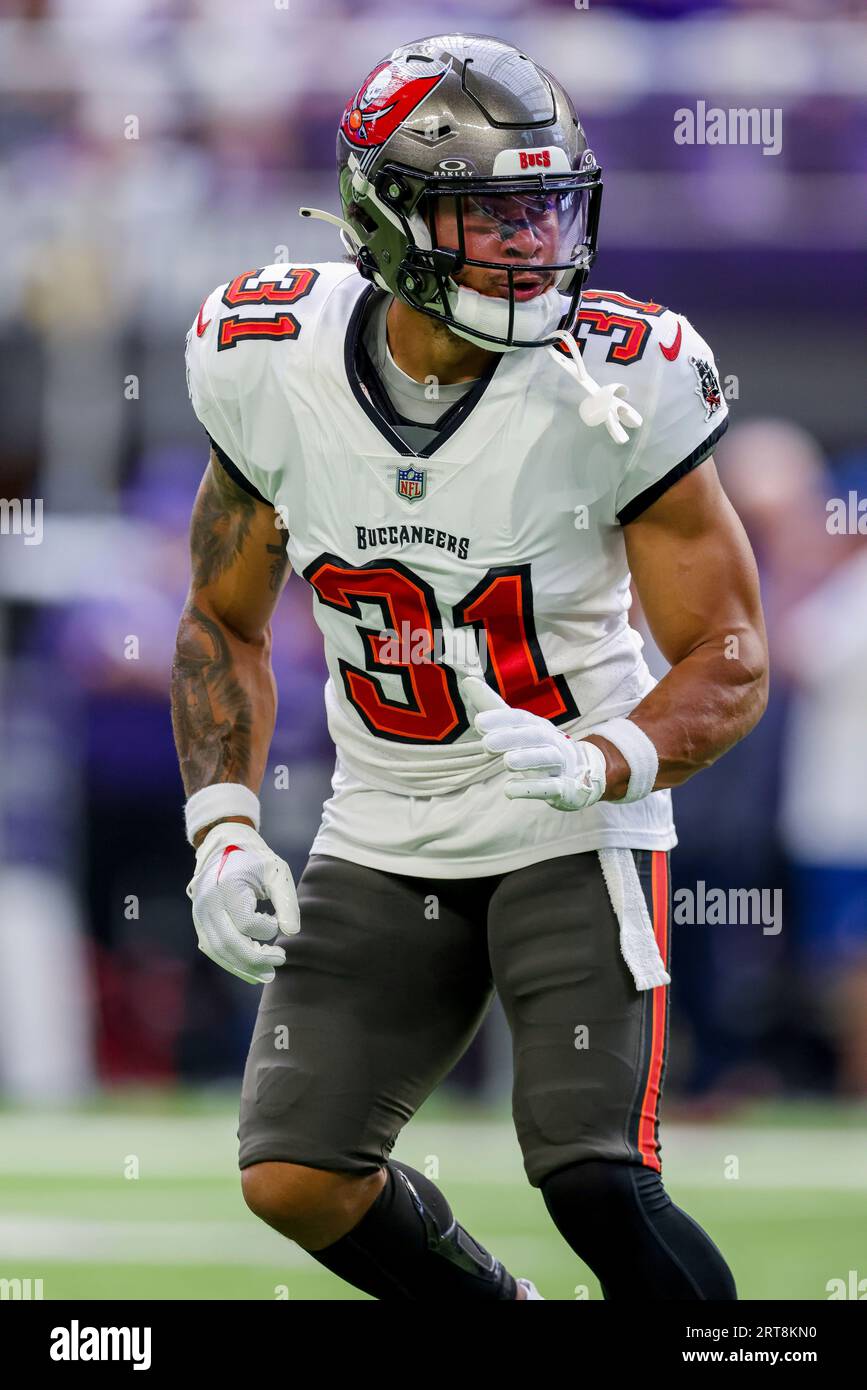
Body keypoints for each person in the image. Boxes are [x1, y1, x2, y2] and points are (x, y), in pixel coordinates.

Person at [172, 34, 767, 1300]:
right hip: (384, 817)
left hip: (573, 809)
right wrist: (223, 827)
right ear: (386, 217)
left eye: (546, 208)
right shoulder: (265, 356)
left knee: (595, 1173)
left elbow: (730, 652)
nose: (530, 244)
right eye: (488, 214)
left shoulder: (621, 377)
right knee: (295, 1170)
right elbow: (223, 618)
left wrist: (609, 756)